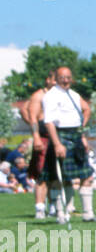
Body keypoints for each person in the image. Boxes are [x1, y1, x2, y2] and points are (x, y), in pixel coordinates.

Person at [41, 67, 95, 222]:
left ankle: (88, 214)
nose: (65, 80)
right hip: (61, 135)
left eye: (68, 77)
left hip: (76, 136)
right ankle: (60, 214)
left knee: (86, 175)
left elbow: (86, 109)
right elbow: (49, 122)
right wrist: (57, 144)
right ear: (56, 79)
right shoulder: (51, 96)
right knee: (59, 178)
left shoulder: (74, 94)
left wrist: (82, 130)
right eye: (62, 77)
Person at [23, 71, 57, 219]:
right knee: (42, 175)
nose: (56, 83)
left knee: (55, 176)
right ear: (47, 79)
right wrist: (36, 137)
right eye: (54, 80)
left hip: (57, 138)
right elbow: (31, 116)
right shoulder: (38, 95)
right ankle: (40, 209)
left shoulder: (60, 95)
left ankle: (54, 208)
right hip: (43, 138)